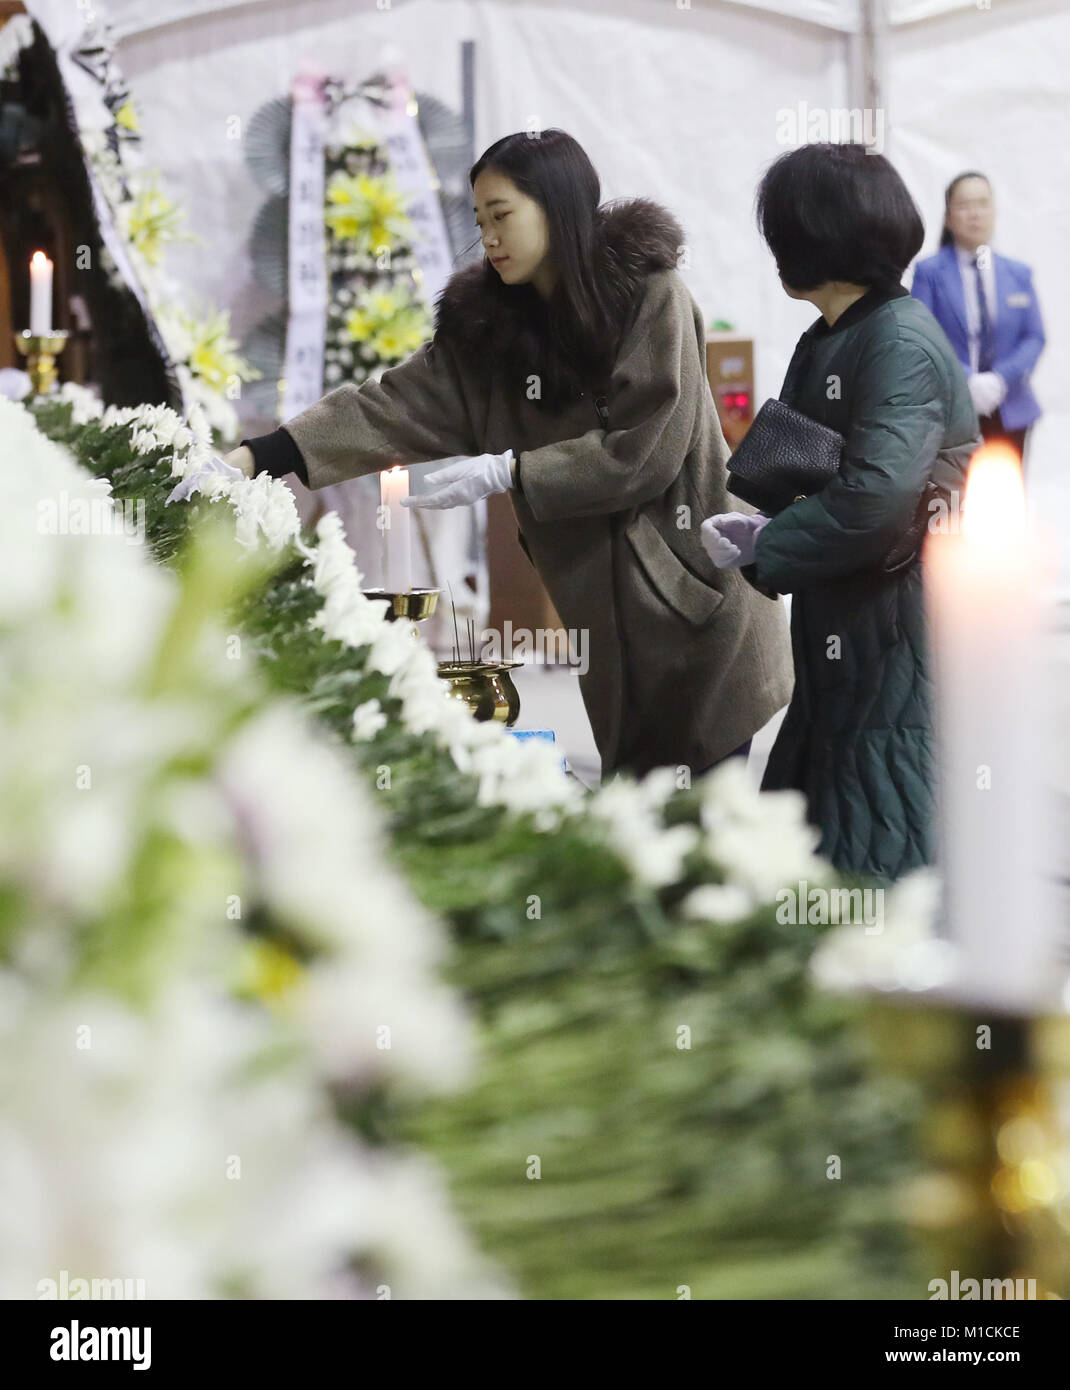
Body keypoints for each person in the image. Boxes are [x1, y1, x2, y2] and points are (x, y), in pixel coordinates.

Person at [223, 129, 793, 781]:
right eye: (479, 220)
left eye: (502, 216)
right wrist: (254, 456)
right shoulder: (493, 330)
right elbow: (387, 406)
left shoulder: (650, 296)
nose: (488, 238)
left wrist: (512, 470)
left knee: (695, 831)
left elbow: (646, 450)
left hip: (699, 605)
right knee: (639, 823)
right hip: (613, 628)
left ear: (557, 207)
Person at [701, 143, 981, 882]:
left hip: (894, 629)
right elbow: (799, 457)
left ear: (816, 236)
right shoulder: (833, 332)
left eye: (782, 231)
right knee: (820, 825)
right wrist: (754, 521)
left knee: (875, 837)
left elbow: (875, 497)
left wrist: (768, 545)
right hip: (845, 625)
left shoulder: (897, 338)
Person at [911, 171, 1044, 473]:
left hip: (1010, 405)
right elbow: (920, 336)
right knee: (953, 499)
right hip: (952, 406)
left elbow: (1034, 337)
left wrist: (999, 379)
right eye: (964, 205)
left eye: (983, 203)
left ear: (995, 210)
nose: (975, 213)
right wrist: (966, 380)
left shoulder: (1017, 273)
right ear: (948, 217)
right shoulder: (930, 273)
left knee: (1004, 497)